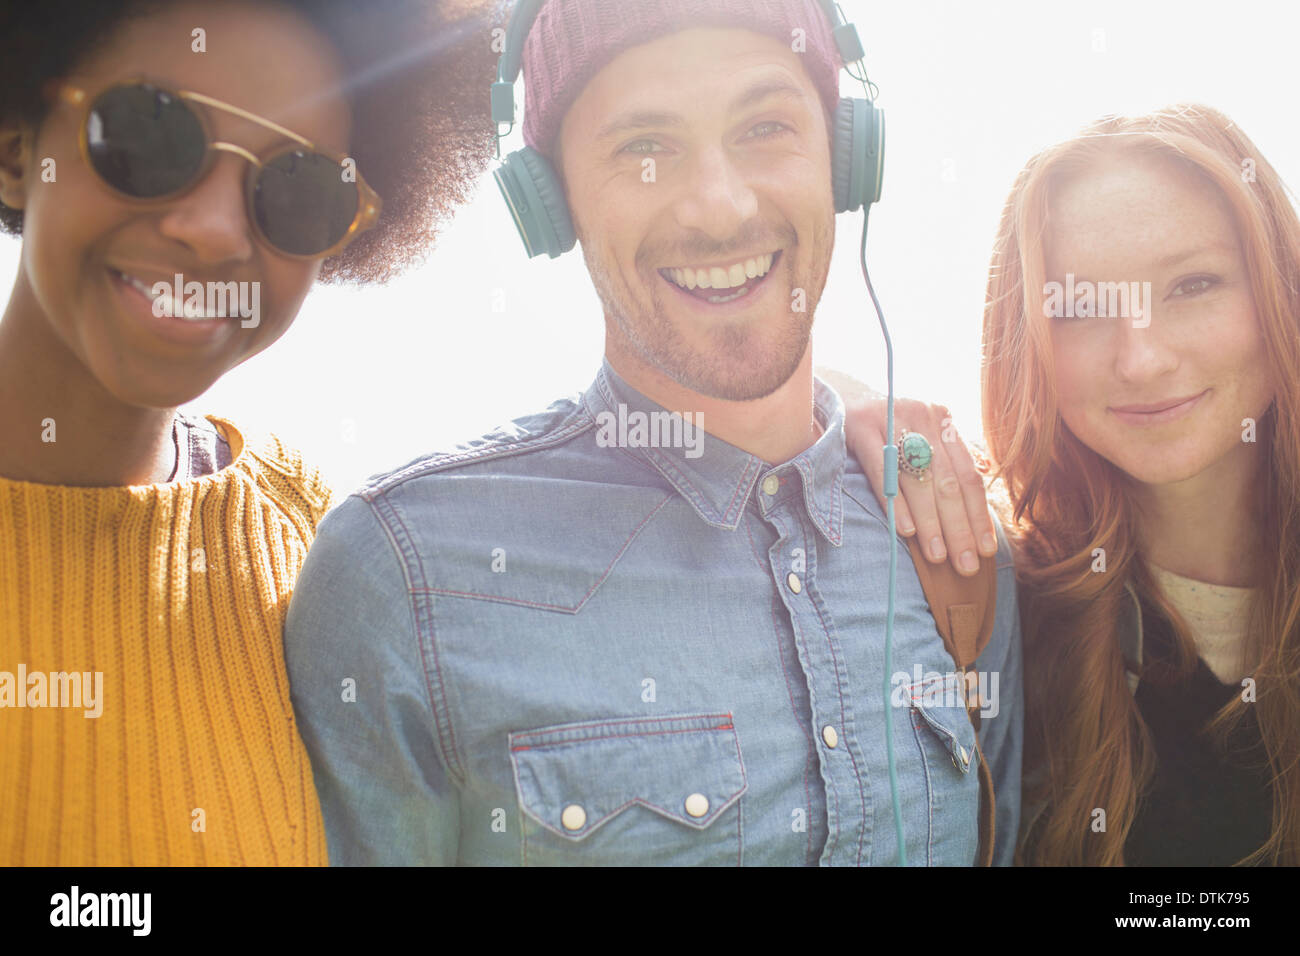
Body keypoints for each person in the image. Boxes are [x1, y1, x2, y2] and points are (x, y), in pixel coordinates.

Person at [284, 0, 1022, 866]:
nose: (719, 206)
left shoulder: (949, 536)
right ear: (551, 204)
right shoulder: (403, 577)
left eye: (766, 126)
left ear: (846, 157)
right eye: (644, 149)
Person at [0, 0, 496, 864]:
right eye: (152, 134)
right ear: (16, 150)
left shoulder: (331, 561)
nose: (216, 231)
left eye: (299, 190)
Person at [846, 103, 1298, 865]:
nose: (1142, 359)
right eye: (1083, 307)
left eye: (1193, 284)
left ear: (1280, 287)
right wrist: (841, 415)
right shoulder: (1001, 611)